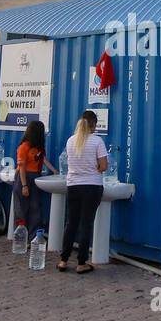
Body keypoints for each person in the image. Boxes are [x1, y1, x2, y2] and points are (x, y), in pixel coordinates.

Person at [58, 110, 108, 274]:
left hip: (73, 185)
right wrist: (94, 167)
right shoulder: (97, 141)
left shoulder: (71, 140)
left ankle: (63, 260)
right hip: (92, 186)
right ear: (94, 125)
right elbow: (103, 166)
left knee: (71, 223)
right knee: (86, 224)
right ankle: (81, 263)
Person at [15, 120, 56, 239]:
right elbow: (22, 167)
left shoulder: (38, 148)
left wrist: (54, 170)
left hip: (35, 177)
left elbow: (43, 159)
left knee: (35, 208)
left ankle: (33, 237)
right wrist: (24, 185)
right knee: (22, 209)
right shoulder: (24, 147)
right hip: (24, 178)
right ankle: (21, 237)